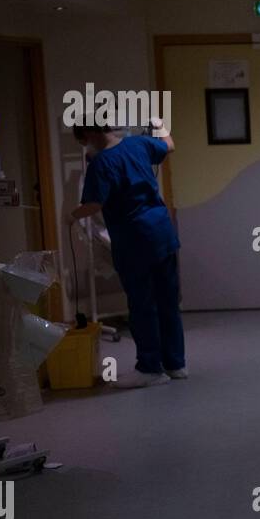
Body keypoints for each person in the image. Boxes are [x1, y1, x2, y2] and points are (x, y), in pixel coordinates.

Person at [69, 120, 185, 389]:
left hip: (135, 240)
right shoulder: (139, 144)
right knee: (167, 299)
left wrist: (70, 217)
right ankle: (176, 364)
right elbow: (169, 145)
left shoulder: (102, 164)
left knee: (142, 304)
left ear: (89, 134)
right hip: (162, 231)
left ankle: (150, 368)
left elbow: (94, 203)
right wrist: (161, 125)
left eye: (85, 141)